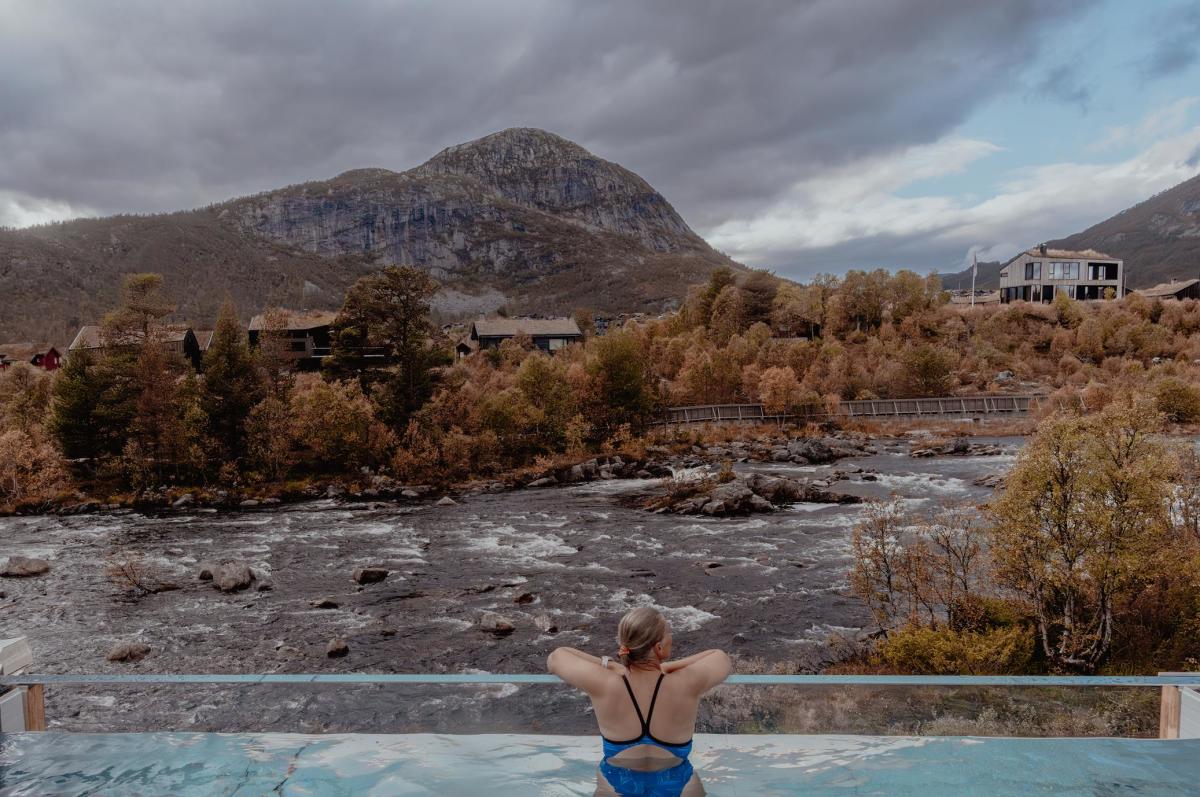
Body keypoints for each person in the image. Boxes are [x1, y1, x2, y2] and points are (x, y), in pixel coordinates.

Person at [547, 607, 732, 797]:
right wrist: (666, 667)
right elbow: (719, 656)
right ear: (658, 647)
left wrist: (610, 665)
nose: (672, 636)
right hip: (678, 780)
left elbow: (557, 656)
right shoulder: (686, 682)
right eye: (669, 632)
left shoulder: (603, 682)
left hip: (615, 780)